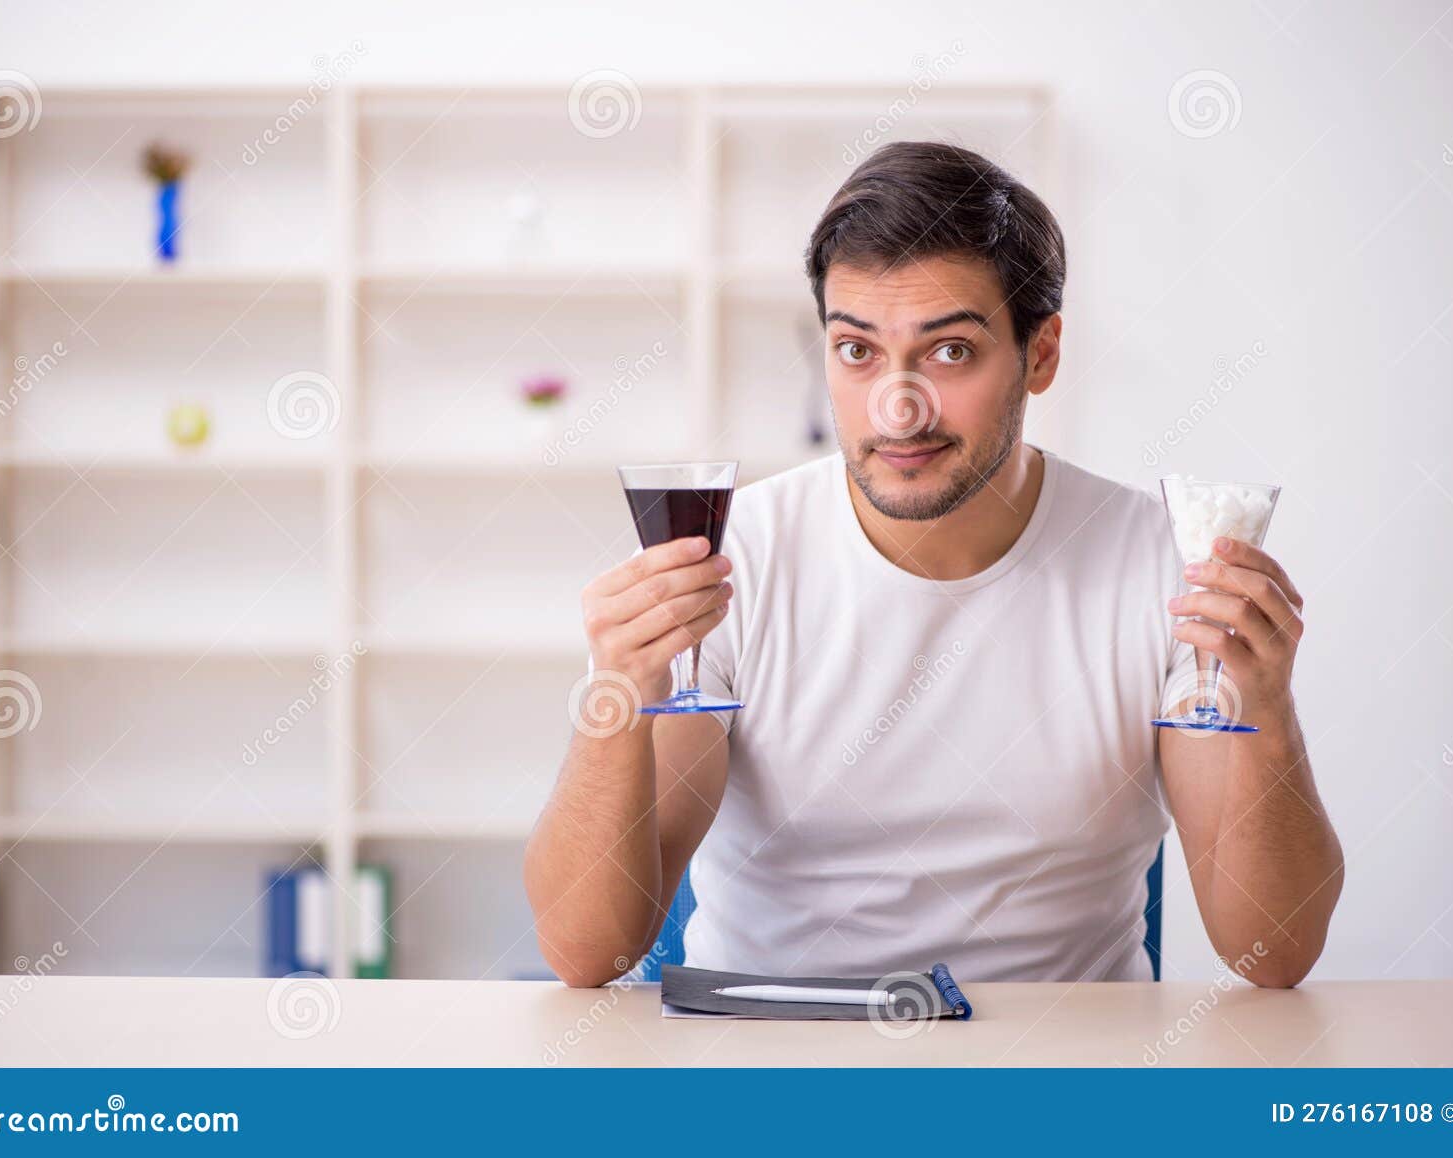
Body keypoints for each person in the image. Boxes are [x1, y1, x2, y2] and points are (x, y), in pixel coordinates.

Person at [525, 140, 1343, 988]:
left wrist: (1270, 710)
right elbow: (589, 952)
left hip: (1060, 1076)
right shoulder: (731, 563)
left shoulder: (1157, 566)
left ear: (1042, 353)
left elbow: (1271, 951)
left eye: (950, 351)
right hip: (775, 1066)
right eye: (858, 351)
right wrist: (614, 693)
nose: (898, 406)